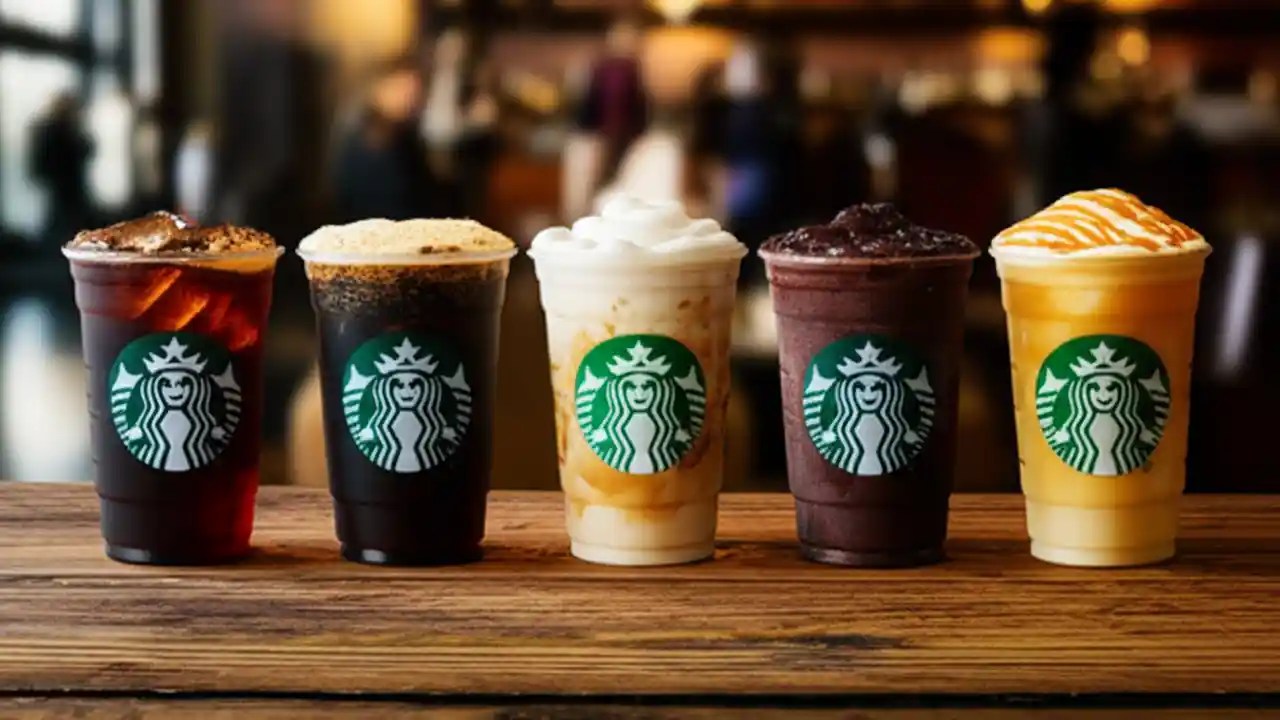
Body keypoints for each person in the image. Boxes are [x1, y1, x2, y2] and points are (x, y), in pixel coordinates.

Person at [332, 60, 438, 223]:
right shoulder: (367, 143)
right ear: (376, 90)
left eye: (414, 93)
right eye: (400, 90)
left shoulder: (406, 140)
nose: (409, 99)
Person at [29, 93, 94, 245]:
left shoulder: (49, 129)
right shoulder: (61, 130)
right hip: (65, 181)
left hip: (61, 181)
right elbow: (83, 149)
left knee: (59, 217)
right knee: (64, 217)